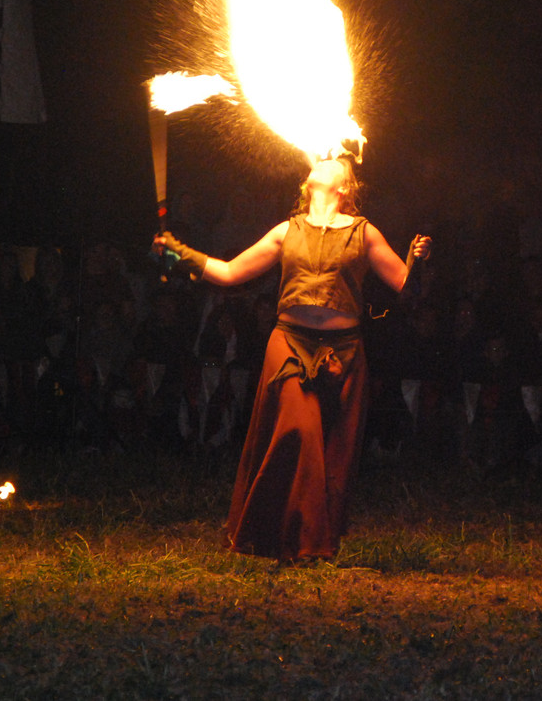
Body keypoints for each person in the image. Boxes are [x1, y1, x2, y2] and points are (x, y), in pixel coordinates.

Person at [154, 156, 432, 562]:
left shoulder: (364, 232)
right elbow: (230, 273)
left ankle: (298, 539)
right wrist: (179, 253)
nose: (326, 158)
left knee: (330, 446)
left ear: (345, 187)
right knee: (299, 428)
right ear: (308, 184)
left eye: (335, 161)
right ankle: (298, 540)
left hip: (342, 350)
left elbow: (408, 291)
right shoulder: (287, 230)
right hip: (289, 343)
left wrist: (416, 264)